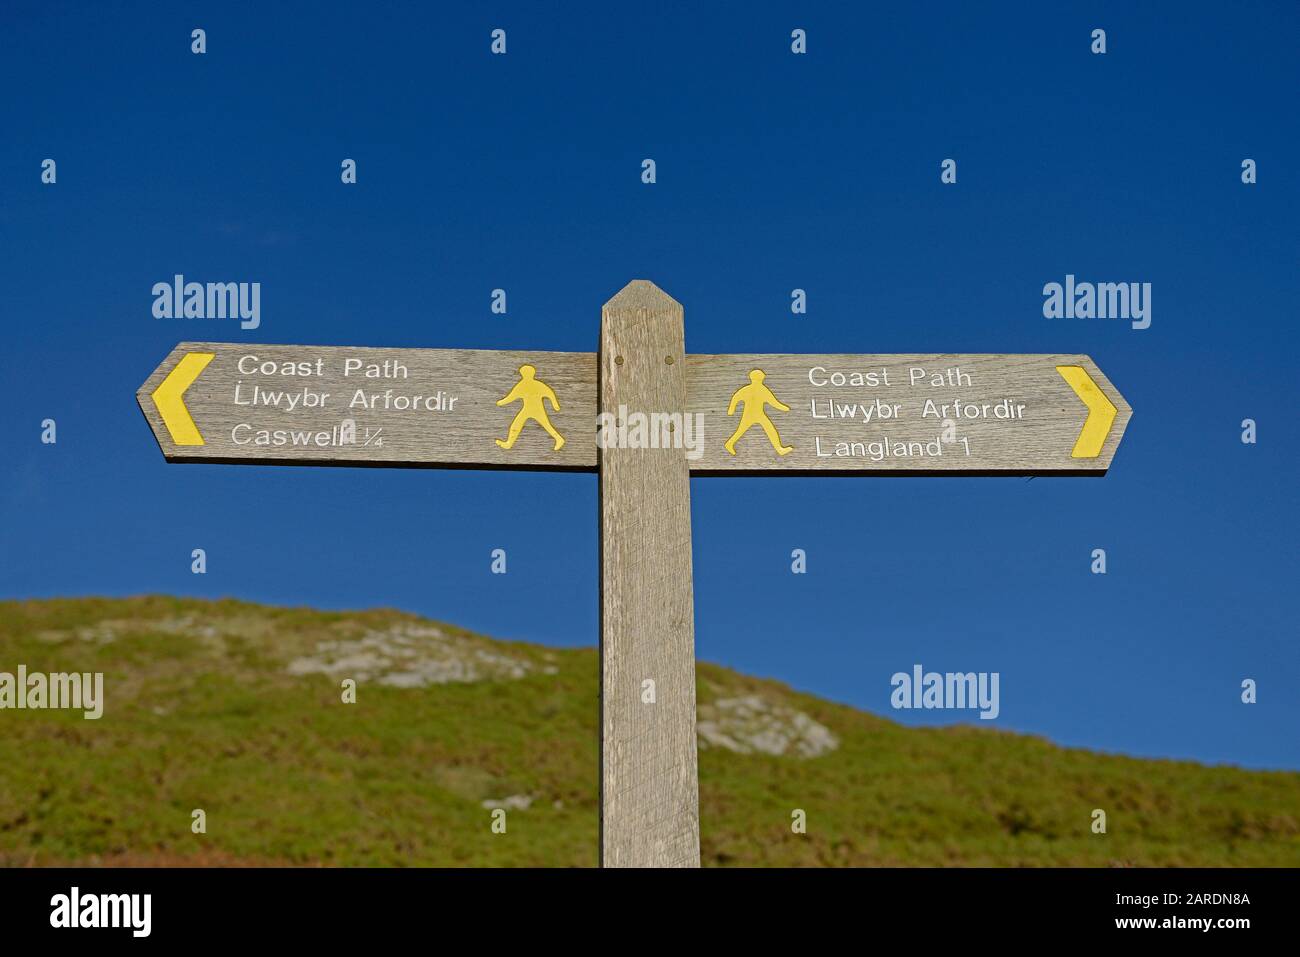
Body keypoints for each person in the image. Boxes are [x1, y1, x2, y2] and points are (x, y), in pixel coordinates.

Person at [496, 364, 565, 451]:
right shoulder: (530, 385)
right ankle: (509, 443)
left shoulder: (526, 385)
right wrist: (555, 405)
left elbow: (550, 393)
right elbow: (550, 394)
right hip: (529, 410)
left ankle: (559, 439)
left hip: (536, 410)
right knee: (517, 424)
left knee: (547, 426)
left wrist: (501, 402)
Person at [724, 369, 793, 455]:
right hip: (751, 415)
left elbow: (735, 398)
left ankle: (779, 449)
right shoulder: (762, 389)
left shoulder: (749, 389)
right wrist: (784, 408)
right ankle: (729, 444)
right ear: (761, 378)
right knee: (742, 431)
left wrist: (731, 409)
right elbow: (774, 402)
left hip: (758, 415)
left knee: (769, 429)